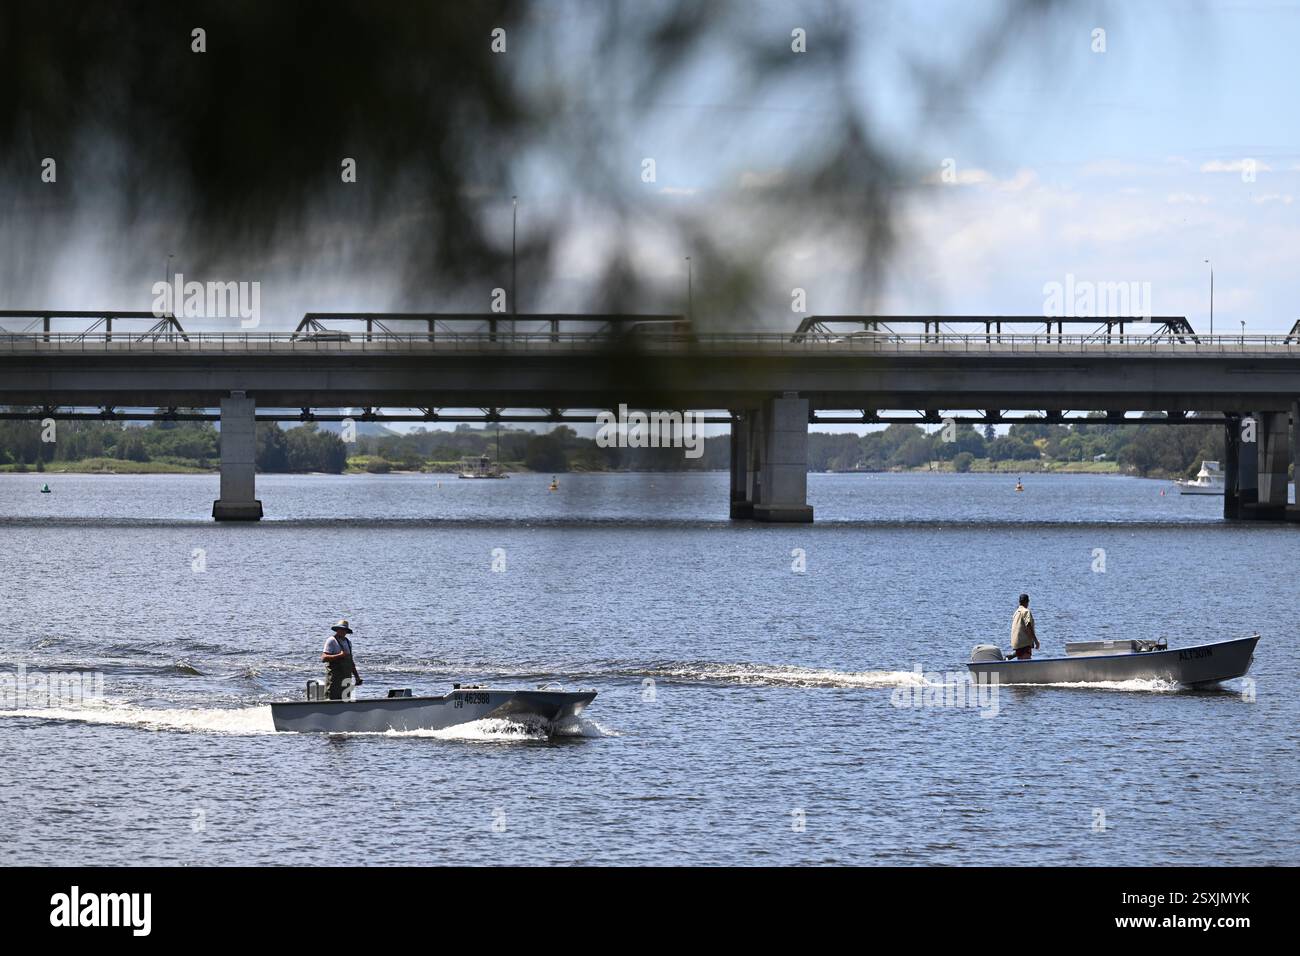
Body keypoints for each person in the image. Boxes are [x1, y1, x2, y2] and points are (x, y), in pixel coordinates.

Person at [321, 619, 363, 700]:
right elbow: (324, 658)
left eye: (345, 630)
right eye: (341, 629)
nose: (343, 631)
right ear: (337, 630)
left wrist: (357, 677)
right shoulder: (331, 640)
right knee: (331, 700)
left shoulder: (348, 642)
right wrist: (339, 655)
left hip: (346, 679)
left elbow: (350, 662)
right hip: (334, 679)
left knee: (345, 701)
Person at [1008, 593, 1040, 660]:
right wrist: (1036, 641)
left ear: (1019, 602)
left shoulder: (1016, 612)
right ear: (1027, 602)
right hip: (1024, 644)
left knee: (1021, 663)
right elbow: (1028, 626)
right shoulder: (1026, 611)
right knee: (1026, 664)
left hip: (1016, 644)